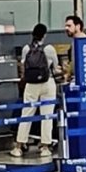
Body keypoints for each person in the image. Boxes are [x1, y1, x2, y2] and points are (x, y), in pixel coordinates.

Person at [13, 24, 58, 157]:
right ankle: (45, 147)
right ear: (45, 35)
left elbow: (23, 67)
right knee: (47, 115)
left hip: (31, 85)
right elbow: (55, 69)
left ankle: (19, 146)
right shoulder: (49, 49)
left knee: (26, 114)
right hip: (47, 82)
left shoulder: (26, 49)